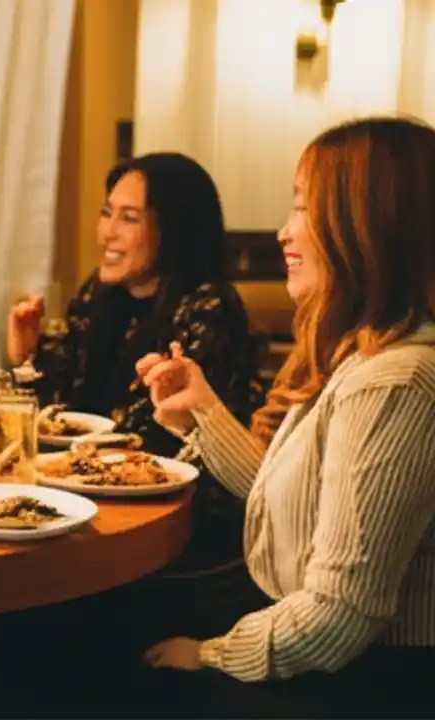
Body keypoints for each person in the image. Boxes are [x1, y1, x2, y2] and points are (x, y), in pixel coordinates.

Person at [137, 117, 435, 717]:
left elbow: (339, 616)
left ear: (365, 228)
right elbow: (304, 509)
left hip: (362, 681)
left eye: (304, 209)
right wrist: (203, 415)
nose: (283, 232)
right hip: (328, 653)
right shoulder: (368, 352)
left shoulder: (393, 383)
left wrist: (213, 654)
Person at [6, 152, 266, 578]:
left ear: (175, 229)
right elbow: (57, 414)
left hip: (171, 533)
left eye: (129, 218)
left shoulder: (208, 307)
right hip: (87, 504)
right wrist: (28, 358)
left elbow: (160, 447)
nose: (107, 233)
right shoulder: (100, 294)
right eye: (106, 213)